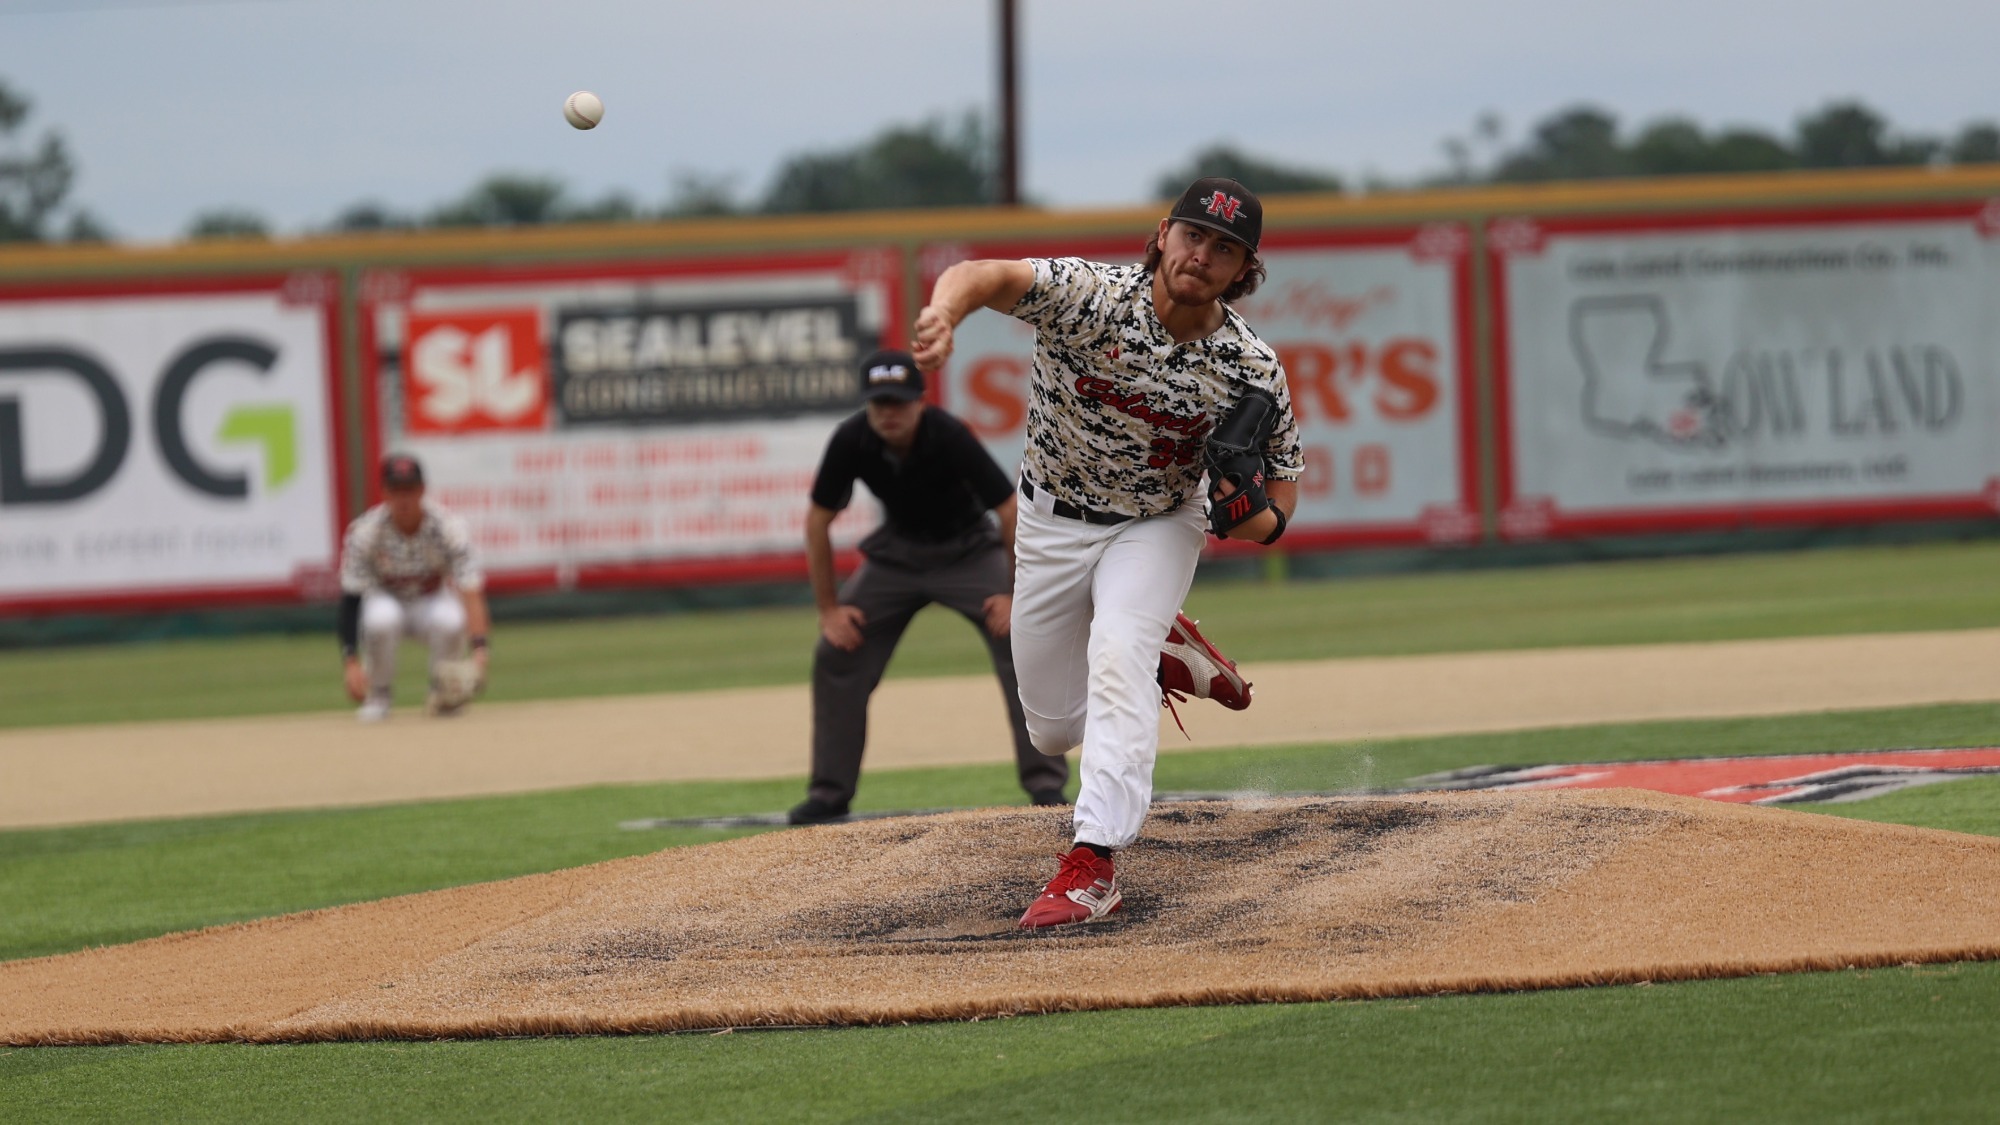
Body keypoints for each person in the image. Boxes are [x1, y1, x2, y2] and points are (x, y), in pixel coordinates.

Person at [912, 177, 1303, 928]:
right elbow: (981, 275)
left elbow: (1281, 491)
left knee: (1118, 650)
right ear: (1163, 234)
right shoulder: (1092, 297)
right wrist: (944, 312)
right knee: (1053, 730)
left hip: (1157, 522)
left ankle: (1093, 862)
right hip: (1050, 519)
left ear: (1243, 270)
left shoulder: (1250, 367)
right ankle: (1167, 651)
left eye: (1225, 249)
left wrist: (1255, 518)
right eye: (1193, 235)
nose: (1203, 255)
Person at [790, 347, 1068, 824]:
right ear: (867, 405)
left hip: (969, 550)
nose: (889, 413)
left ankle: (1046, 783)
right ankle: (829, 794)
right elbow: (818, 521)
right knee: (838, 650)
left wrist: (1014, 595)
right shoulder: (852, 438)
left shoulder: (948, 434)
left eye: (899, 402)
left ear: (920, 402)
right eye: (880, 403)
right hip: (897, 555)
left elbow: (1008, 510)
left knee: (1021, 638)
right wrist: (829, 609)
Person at [337, 454, 490, 722]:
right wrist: (350, 661)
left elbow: (470, 589)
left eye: (409, 489)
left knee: (451, 620)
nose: (403, 498)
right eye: (396, 490)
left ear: (422, 490)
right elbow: (351, 598)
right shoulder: (365, 532)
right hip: (385, 597)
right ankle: (379, 694)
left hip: (431, 598)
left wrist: (480, 652)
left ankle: (443, 693)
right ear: (385, 493)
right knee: (381, 619)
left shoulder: (448, 527)